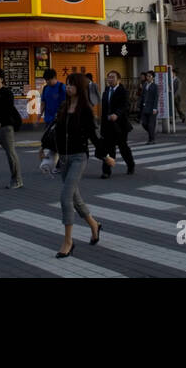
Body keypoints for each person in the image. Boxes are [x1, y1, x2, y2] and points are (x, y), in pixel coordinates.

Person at [50, 73, 107, 259]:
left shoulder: (85, 109)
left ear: (80, 88)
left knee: (65, 197)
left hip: (78, 157)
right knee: (75, 198)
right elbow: (55, 132)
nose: (68, 87)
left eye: (72, 85)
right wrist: (48, 150)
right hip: (64, 159)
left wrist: (105, 156)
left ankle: (68, 241)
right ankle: (94, 225)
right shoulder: (64, 107)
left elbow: (93, 134)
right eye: (67, 84)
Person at [99, 70, 135, 177]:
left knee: (123, 147)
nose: (110, 79)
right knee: (108, 148)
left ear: (118, 79)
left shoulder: (123, 91)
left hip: (120, 125)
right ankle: (106, 171)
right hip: (108, 125)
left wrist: (117, 114)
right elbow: (104, 109)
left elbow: (125, 105)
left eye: (112, 77)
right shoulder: (106, 90)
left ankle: (130, 165)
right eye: (109, 77)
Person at [138, 70, 159, 144]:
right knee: (144, 124)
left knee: (150, 124)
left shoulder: (155, 86)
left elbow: (156, 98)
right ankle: (152, 133)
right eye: (147, 76)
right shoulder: (144, 85)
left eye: (149, 76)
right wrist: (139, 104)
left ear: (153, 77)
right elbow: (142, 96)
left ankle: (151, 139)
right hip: (145, 107)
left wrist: (155, 108)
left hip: (152, 108)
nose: (148, 77)